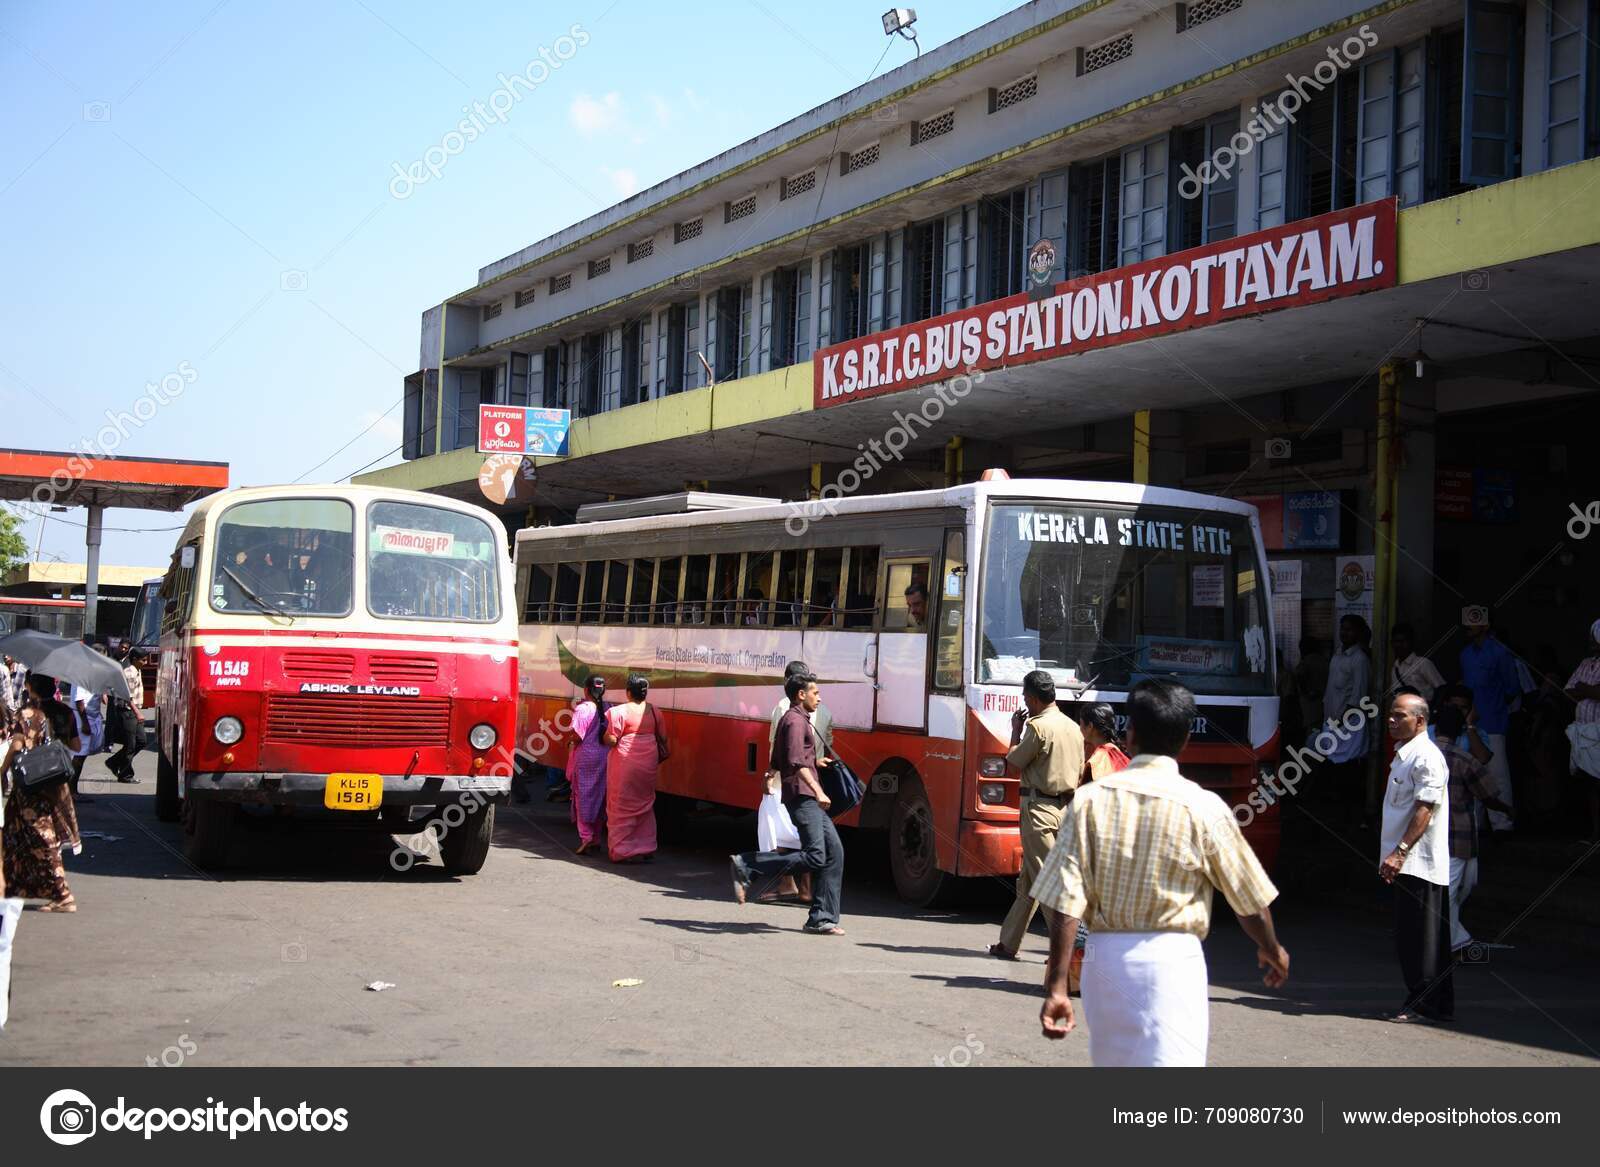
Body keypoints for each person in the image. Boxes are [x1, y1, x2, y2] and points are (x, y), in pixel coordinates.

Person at [1034, 679, 1288, 1065]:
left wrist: (1057, 987)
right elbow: (1249, 902)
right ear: (1186, 738)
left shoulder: (1088, 801)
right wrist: (1272, 949)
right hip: (1171, 961)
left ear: (1130, 734)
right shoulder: (1204, 806)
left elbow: (1066, 901)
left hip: (1104, 961)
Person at [729, 673, 846, 935]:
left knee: (834, 853)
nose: (820, 697)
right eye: (815, 692)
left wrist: (813, 763)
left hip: (806, 794)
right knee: (817, 855)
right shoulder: (794, 721)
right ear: (800, 695)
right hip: (803, 797)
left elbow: (784, 757)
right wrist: (818, 791)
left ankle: (822, 917)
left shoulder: (797, 719)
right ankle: (748, 864)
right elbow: (795, 762)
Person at [989, 671, 1084, 960]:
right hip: (1065, 810)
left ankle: (1064, 948)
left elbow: (1014, 762)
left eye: (1025, 698)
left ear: (1031, 698)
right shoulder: (1072, 727)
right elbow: (1079, 771)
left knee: (1045, 880)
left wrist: (1016, 730)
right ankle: (1008, 944)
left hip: (1038, 812)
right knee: (1028, 882)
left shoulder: (1038, 726)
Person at [1379, 693, 1453, 1023]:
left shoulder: (1426, 757)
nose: (1391, 721)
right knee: (1413, 936)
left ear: (1419, 721)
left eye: (1399, 716)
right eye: (1391, 715)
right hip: (1407, 861)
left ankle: (1425, 1004)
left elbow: (1425, 809)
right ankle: (1435, 1005)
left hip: (1418, 862)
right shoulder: (1404, 755)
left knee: (1421, 940)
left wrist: (1400, 852)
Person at [1433, 702, 1512, 955]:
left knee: (1450, 891)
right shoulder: (1464, 760)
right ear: (1460, 731)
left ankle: (1453, 940)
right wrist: (1506, 810)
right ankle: (1455, 941)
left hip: (1427, 835)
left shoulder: (1420, 757)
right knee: (1451, 892)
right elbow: (1489, 794)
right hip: (1459, 836)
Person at [2, 673, 83, 911]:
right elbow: (76, 746)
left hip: (31, 785)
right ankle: (15, 886)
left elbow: (17, 744)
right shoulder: (66, 713)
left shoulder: (27, 715)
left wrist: (2, 771)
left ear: (31, 689)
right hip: (56, 782)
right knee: (30, 834)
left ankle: (62, 894)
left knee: (41, 835)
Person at [761, 660, 831, 903]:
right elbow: (818, 750)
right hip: (812, 781)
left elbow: (784, 752)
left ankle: (777, 879)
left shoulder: (785, 711)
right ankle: (806, 890)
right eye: (817, 692)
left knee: (778, 834)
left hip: (792, 782)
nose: (819, 697)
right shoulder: (823, 711)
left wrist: (770, 775)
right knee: (809, 841)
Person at [1460, 612, 1524, 833]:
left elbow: (1512, 688)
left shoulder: (1500, 653)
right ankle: (1475, 825)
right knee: (1471, 776)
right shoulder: (1465, 654)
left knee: (1497, 777)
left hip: (1493, 722)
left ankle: (1502, 826)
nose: (1467, 623)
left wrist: (1493, 705)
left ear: (1485, 625)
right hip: (1470, 725)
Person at [601, 674, 663, 863]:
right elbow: (664, 739)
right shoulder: (654, 711)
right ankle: (646, 847)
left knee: (621, 806)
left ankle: (622, 850)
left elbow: (612, 739)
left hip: (625, 764)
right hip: (648, 765)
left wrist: (603, 737)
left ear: (628, 692)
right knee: (645, 805)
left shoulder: (619, 712)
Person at [1323, 614, 1372, 818]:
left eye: (1349, 629)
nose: (1344, 633)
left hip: (1349, 725)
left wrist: (1341, 723)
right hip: (1332, 722)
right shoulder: (1337, 655)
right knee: (1333, 770)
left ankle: (1350, 816)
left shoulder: (1359, 659)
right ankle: (1336, 815)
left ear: (1359, 633)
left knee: (1349, 772)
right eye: (1342, 629)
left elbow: (1358, 696)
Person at [1565, 619, 1600, 843]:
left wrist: (1585, 689)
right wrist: (1591, 690)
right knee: (1590, 783)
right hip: (1584, 733)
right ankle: (1595, 832)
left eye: (1594, 638)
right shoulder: (1587, 663)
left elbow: (1585, 690)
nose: (1591, 642)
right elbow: (1569, 690)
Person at [567, 675, 611, 855]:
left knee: (582, 796)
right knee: (599, 796)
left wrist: (568, 741)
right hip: (604, 757)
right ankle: (596, 838)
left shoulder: (583, 709)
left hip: (585, 758)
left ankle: (587, 837)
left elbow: (577, 736)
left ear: (586, 690)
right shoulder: (608, 708)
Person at [104, 645, 145, 783]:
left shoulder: (136, 670)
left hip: (133, 711)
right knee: (130, 745)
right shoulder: (130, 673)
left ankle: (114, 762)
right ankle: (126, 774)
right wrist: (137, 712)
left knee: (141, 741)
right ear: (134, 659)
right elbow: (127, 697)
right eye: (143, 660)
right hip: (127, 711)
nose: (145, 663)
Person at [1389, 623, 1444, 703]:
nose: (1399, 645)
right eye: (1396, 641)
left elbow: (1441, 689)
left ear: (1411, 642)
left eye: (1403, 641)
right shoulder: (1395, 668)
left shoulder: (1423, 664)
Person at [1078, 703, 1131, 783]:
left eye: (1081, 724)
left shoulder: (1098, 760)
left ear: (1090, 727)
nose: (1080, 728)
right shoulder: (1119, 754)